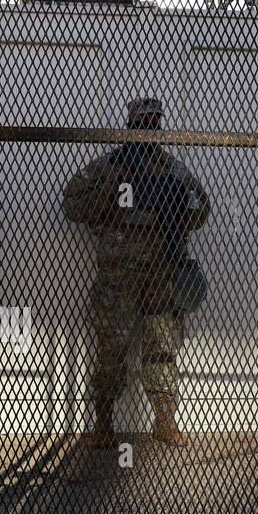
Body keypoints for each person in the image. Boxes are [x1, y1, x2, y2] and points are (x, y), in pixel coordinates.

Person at [62, 96, 211, 448]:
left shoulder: (174, 170)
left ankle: (164, 420)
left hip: (163, 273)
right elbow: (72, 203)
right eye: (142, 120)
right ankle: (103, 423)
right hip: (118, 276)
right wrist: (108, 199)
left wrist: (176, 214)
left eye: (154, 120)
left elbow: (201, 209)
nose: (149, 126)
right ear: (130, 123)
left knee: (162, 346)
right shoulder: (109, 167)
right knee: (111, 347)